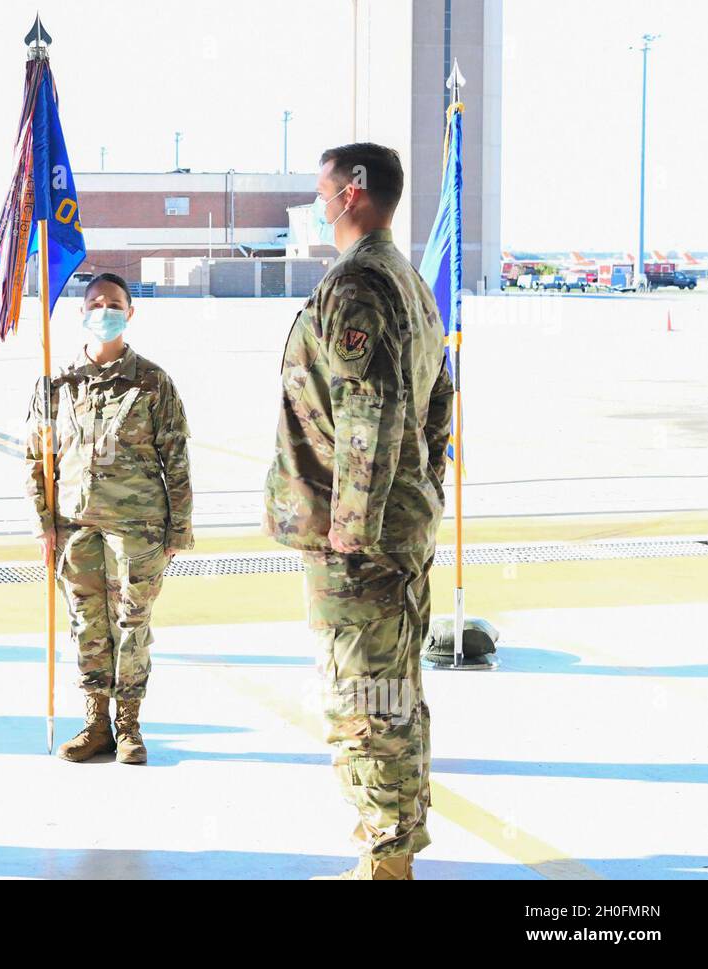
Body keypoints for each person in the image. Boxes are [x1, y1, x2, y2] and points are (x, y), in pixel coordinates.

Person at [263, 144, 454, 880]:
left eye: (322, 189)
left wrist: (353, 536)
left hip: (362, 544)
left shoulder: (357, 287)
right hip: (397, 526)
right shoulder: (408, 280)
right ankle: (394, 845)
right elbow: (441, 398)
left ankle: (385, 860)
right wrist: (422, 490)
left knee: (362, 697)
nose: (317, 201)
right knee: (393, 690)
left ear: (354, 193)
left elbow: (365, 415)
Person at [25, 272, 194, 765]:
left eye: (114, 302)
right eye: (96, 302)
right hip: (76, 528)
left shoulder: (152, 382)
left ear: (130, 312)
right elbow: (37, 459)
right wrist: (44, 524)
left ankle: (129, 726)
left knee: (132, 624)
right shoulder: (54, 383)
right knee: (86, 626)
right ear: (82, 312)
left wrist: (178, 529)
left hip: (137, 529)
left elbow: (177, 458)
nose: (105, 310)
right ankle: (95, 722)